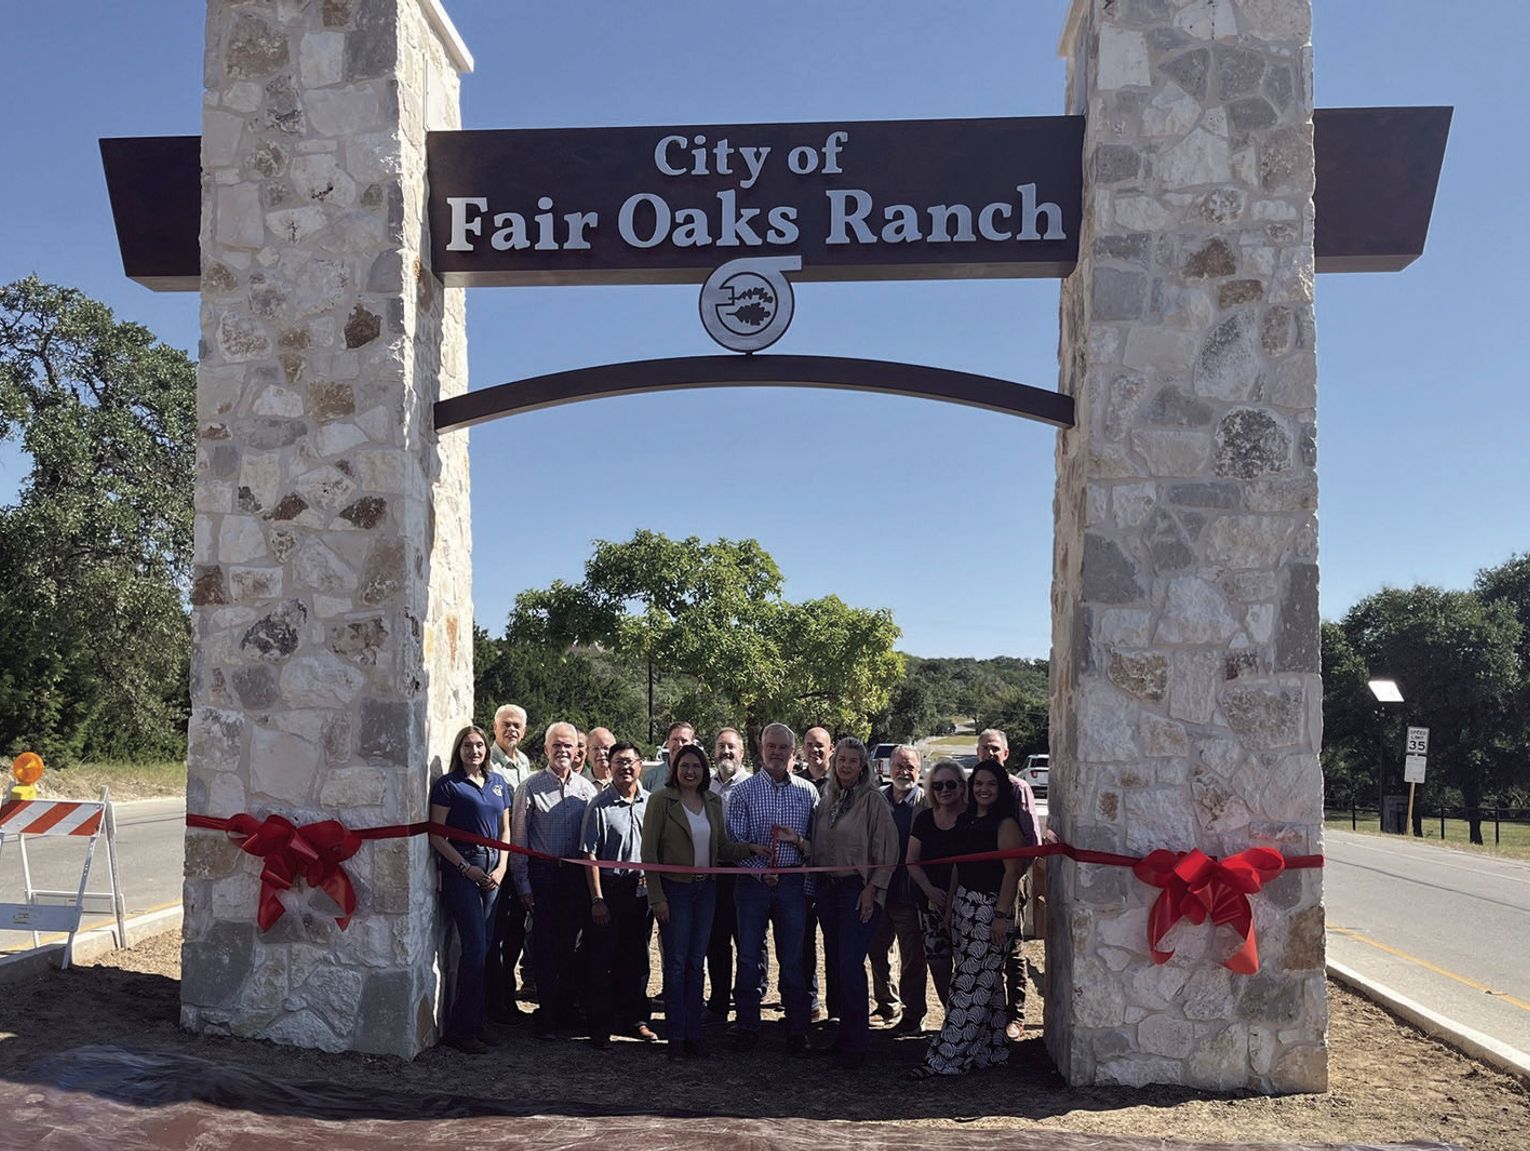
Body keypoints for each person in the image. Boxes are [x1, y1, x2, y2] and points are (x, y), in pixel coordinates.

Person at [642, 742, 760, 1059]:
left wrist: (750, 848)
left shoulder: (711, 802)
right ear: (675, 770)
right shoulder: (660, 801)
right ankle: (676, 1036)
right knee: (677, 965)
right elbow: (649, 855)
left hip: (705, 891)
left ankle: (694, 1034)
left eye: (696, 766)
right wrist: (658, 899)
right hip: (675, 892)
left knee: (697, 964)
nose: (690, 772)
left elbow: (722, 849)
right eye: (684, 766)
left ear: (703, 770)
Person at [913, 760, 1029, 1079]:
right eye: (979, 783)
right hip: (964, 906)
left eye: (990, 784)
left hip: (991, 909)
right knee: (987, 986)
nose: (983, 789)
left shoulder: (1005, 824)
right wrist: (951, 907)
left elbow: (1012, 872)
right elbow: (957, 867)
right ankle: (991, 1050)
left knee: (967, 985)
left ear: (1000, 787)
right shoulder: (966, 820)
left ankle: (946, 1058)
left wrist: (1001, 917)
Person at [724, 721, 819, 1056]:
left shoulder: (807, 792)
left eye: (783, 748)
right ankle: (748, 1026)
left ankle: (797, 1030)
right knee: (749, 958)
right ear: (761, 750)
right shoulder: (743, 792)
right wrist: (760, 871)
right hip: (752, 886)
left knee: (793, 959)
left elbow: (815, 846)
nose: (777, 753)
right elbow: (735, 843)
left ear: (793, 753)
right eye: (771, 747)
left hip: (792, 885)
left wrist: (800, 851)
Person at [807, 736, 900, 1069]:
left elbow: (888, 851)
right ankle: (845, 1035)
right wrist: (798, 843)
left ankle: (857, 1043)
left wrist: (873, 889)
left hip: (858, 892)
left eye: (852, 760)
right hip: (828, 891)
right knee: (836, 964)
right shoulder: (828, 798)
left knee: (850, 965)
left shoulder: (872, 801)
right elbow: (821, 847)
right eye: (841, 760)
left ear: (863, 766)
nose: (845, 766)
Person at [511, 720, 599, 1040]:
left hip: (575, 877)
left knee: (572, 946)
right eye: (556, 745)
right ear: (546, 749)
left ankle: (566, 1010)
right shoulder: (530, 788)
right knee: (545, 947)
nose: (562, 750)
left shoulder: (587, 790)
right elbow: (519, 842)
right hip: (543, 875)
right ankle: (546, 1014)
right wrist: (523, 885)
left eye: (568, 745)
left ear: (578, 751)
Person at [428, 725, 512, 1054]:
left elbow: (505, 830)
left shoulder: (498, 784)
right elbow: (436, 835)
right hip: (463, 868)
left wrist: (502, 867)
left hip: (494, 870)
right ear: (458, 750)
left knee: (487, 948)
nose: (474, 751)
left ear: (487, 750)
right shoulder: (448, 786)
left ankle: (476, 1020)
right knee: (475, 949)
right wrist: (466, 869)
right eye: (467, 745)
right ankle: (461, 1030)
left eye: (479, 745)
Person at [580, 740, 658, 1049]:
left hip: (641, 891)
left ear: (640, 765)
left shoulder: (652, 803)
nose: (625, 767)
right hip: (610, 891)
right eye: (618, 762)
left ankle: (635, 1019)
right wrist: (597, 899)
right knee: (602, 959)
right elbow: (590, 855)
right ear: (608, 766)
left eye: (630, 761)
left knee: (637, 958)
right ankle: (600, 1025)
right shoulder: (598, 806)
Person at [976, 727, 1042, 1041]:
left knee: (1012, 949)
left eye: (995, 749)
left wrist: (1013, 877)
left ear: (1006, 753)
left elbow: (1032, 840)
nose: (989, 754)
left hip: (1012, 882)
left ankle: (1016, 1015)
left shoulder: (1018, 788)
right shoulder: (973, 788)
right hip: (978, 886)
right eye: (985, 749)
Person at [869, 744, 928, 1033]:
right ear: (888, 768)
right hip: (879, 891)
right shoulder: (877, 800)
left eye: (910, 767)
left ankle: (913, 1013)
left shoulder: (926, 802)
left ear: (919, 771)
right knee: (877, 952)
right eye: (899, 766)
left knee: (912, 958)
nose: (904, 772)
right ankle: (886, 1005)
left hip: (909, 895)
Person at [907, 759, 967, 1010]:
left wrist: (952, 901)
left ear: (962, 787)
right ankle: (951, 1020)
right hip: (931, 905)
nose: (944, 790)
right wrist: (929, 890)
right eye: (938, 785)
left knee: (969, 971)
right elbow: (911, 861)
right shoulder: (924, 819)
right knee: (939, 968)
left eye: (950, 784)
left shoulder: (971, 819)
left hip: (965, 906)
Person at [487, 704, 533, 1017]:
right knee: (495, 934)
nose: (512, 730)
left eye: (517, 725)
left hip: (520, 860)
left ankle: (507, 994)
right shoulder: (489, 763)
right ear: (495, 727)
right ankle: (496, 998)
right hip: (495, 859)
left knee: (516, 931)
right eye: (506, 724)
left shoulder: (524, 763)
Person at [705, 727, 751, 1021]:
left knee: (748, 941)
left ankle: (748, 1002)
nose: (727, 752)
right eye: (722, 747)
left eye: (732, 747)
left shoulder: (752, 785)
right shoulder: (704, 787)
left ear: (742, 753)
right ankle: (718, 1002)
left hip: (745, 872)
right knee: (716, 940)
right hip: (713, 872)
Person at [797, 725, 835, 1023]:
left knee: (836, 946)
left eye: (820, 745)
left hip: (835, 878)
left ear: (830, 749)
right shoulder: (797, 784)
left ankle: (837, 1009)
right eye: (810, 744)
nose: (815, 750)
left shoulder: (842, 784)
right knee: (804, 944)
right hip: (804, 878)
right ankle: (809, 1004)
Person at [642, 720, 696, 792]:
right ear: (667, 743)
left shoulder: (706, 776)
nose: (679, 744)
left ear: (693, 744)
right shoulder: (651, 777)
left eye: (684, 740)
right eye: (675, 739)